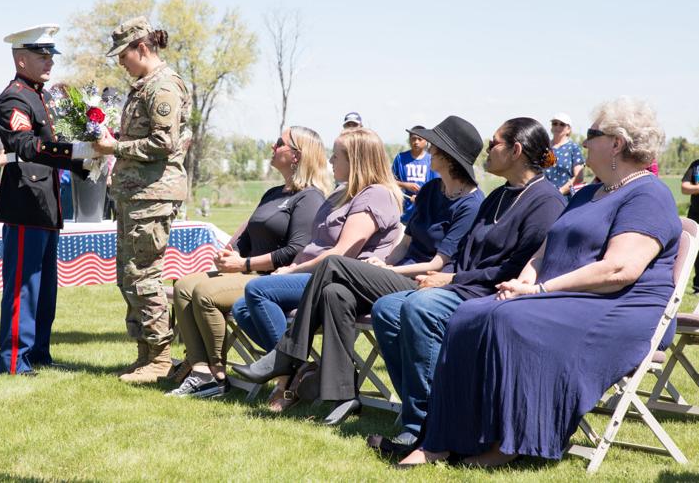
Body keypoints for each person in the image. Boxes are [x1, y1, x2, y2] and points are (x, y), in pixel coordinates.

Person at [399, 98, 678, 468]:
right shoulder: (586, 194)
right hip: (568, 297)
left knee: (508, 320)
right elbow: (543, 252)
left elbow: (618, 271)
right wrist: (525, 281)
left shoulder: (648, 194)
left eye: (592, 135)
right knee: (470, 313)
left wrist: (542, 290)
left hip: (621, 307)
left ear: (617, 143)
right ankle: (447, 439)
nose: (583, 142)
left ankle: (512, 441)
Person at [232, 116, 485, 422]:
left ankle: (287, 356)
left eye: (434, 146)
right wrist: (386, 263)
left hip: (424, 284)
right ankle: (344, 396)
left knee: (336, 263)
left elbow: (437, 264)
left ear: (448, 156)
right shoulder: (432, 190)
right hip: (394, 275)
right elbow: (404, 243)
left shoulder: (471, 204)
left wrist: (390, 270)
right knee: (336, 293)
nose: (428, 150)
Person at [361, 117, 567, 455]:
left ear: (516, 151)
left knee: (419, 307)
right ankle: (418, 419)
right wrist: (440, 277)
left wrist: (451, 279)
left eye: (495, 142)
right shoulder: (499, 196)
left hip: (494, 294)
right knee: (387, 308)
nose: (488, 148)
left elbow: (515, 268)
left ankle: (433, 431)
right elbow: (467, 252)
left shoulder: (545, 203)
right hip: (465, 285)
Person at [229, 128, 406, 398]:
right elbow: (314, 244)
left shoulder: (376, 195)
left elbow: (342, 253)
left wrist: (290, 270)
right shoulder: (341, 194)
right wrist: (292, 268)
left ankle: (283, 374)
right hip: (312, 275)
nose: (331, 161)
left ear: (356, 161)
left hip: (341, 285)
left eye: (337, 156)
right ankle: (299, 373)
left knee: (258, 290)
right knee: (243, 307)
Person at [167, 126, 331, 398]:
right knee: (183, 286)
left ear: (297, 156)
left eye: (280, 143)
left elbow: (296, 250)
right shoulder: (273, 193)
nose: (272, 147)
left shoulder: (310, 197)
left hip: (272, 279)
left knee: (204, 293)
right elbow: (251, 234)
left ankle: (217, 377)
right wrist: (230, 254)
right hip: (247, 270)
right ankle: (200, 371)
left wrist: (244, 264)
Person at [91, 17, 192, 383]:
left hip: (153, 196)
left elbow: (164, 143)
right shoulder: (143, 86)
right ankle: (145, 354)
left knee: (144, 275)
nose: (120, 62)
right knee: (127, 276)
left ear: (143, 48)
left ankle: (161, 358)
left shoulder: (162, 86)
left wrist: (114, 146)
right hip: (136, 194)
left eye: (124, 54)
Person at [0, 24, 94, 375]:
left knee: (45, 288)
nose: (49, 61)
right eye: (41, 55)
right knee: (24, 286)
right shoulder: (15, 97)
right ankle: (13, 361)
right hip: (25, 203)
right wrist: (76, 152)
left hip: (46, 202)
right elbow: (23, 145)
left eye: (51, 55)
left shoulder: (40, 96)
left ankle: (37, 354)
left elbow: (56, 147)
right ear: (21, 59)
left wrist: (86, 161)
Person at [392, 126, 441, 223]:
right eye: (413, 139)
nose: (416, 142)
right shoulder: (400, 158)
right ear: (409, 140)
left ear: (426, 141)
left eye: (420, 139)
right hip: (404, 215)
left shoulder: (431, 159)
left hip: (425, 215)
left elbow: (437, 186)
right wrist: (405, 185)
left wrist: (422, 196)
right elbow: (388, 182)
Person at [543, 112, 585, 196]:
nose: (558, 127)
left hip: (565, 198)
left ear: (568, 129)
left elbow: (579, 177)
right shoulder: (544, 147)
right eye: (555, 124)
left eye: (562, 124)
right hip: (544, 195)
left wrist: (560, 192)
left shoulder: (573, 148)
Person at [681, 157, 699, 293]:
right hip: (696, 214)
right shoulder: (696, 165)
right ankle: (698, 285)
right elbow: (684, 188)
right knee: (696, 250)